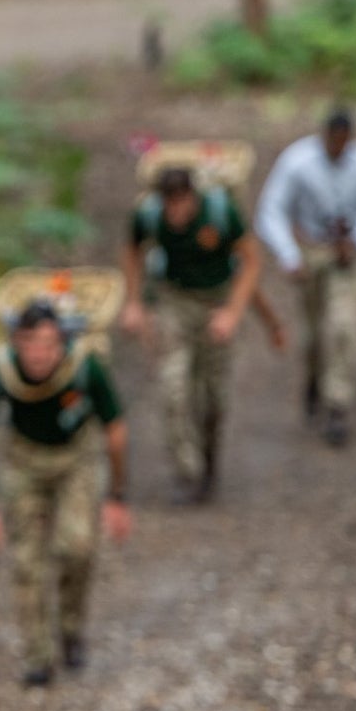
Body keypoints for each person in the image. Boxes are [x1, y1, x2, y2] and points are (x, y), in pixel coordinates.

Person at [0, 301, 132, 686]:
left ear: (62, 343)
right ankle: (37, 656)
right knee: (27, 561)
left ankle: (71, 628)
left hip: (76, 459)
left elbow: (116, 429)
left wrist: (117, 496)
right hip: (22, 462)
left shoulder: (85, 368)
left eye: (48, 343)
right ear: (16, 342)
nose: (39, 354)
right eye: (29, 343)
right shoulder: (1, 370)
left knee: (77, 548)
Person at [120, 165, 265, 503]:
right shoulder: (148, 215)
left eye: (181, 204)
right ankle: (189, 470)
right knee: (172, 386)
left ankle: (210, 460)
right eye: (169, 206)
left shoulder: (219, 213)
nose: (176, 213)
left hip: (215, 300)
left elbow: (251, 261)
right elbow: (131, 250)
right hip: (174, 300)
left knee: (214, 395)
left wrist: (232, 313)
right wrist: (134, 302)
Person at [255, 109, 356, 447]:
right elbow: (271, 210)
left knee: (343, 326)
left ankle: (337, 404)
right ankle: (315, 378)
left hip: (346, 254)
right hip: (310, 251)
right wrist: (289, 254)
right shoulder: (298, 162)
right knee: (314, 332)